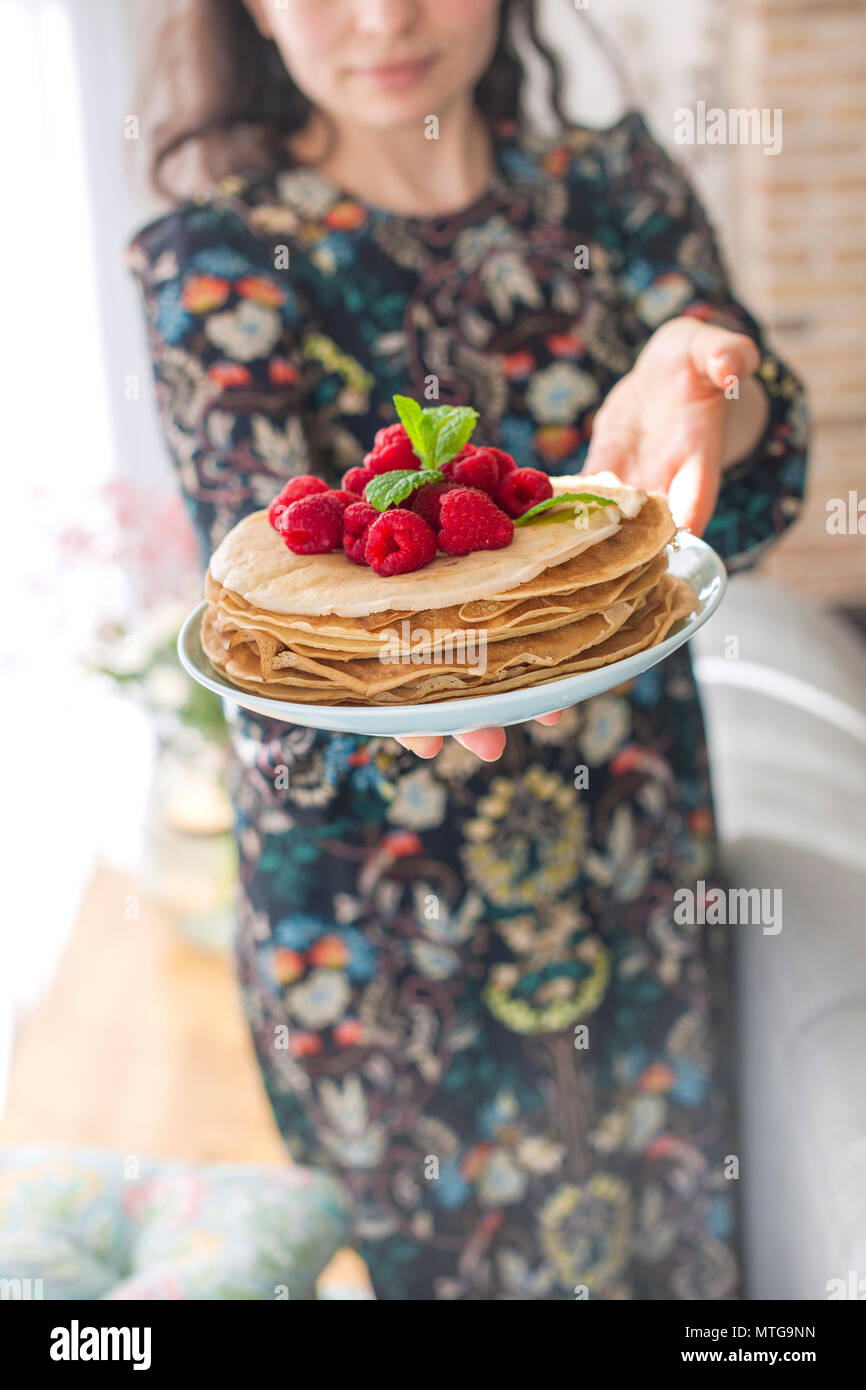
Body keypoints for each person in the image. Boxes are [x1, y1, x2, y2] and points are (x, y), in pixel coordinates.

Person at [129, 0, 808, 1300]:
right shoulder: (217, 263)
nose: (383, 17)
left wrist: (721, 377)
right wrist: (388, 677)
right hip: (380, 953)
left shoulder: (615, 191)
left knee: (676, 1268)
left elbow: (749, 498)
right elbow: (272, 637)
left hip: (630, 883)